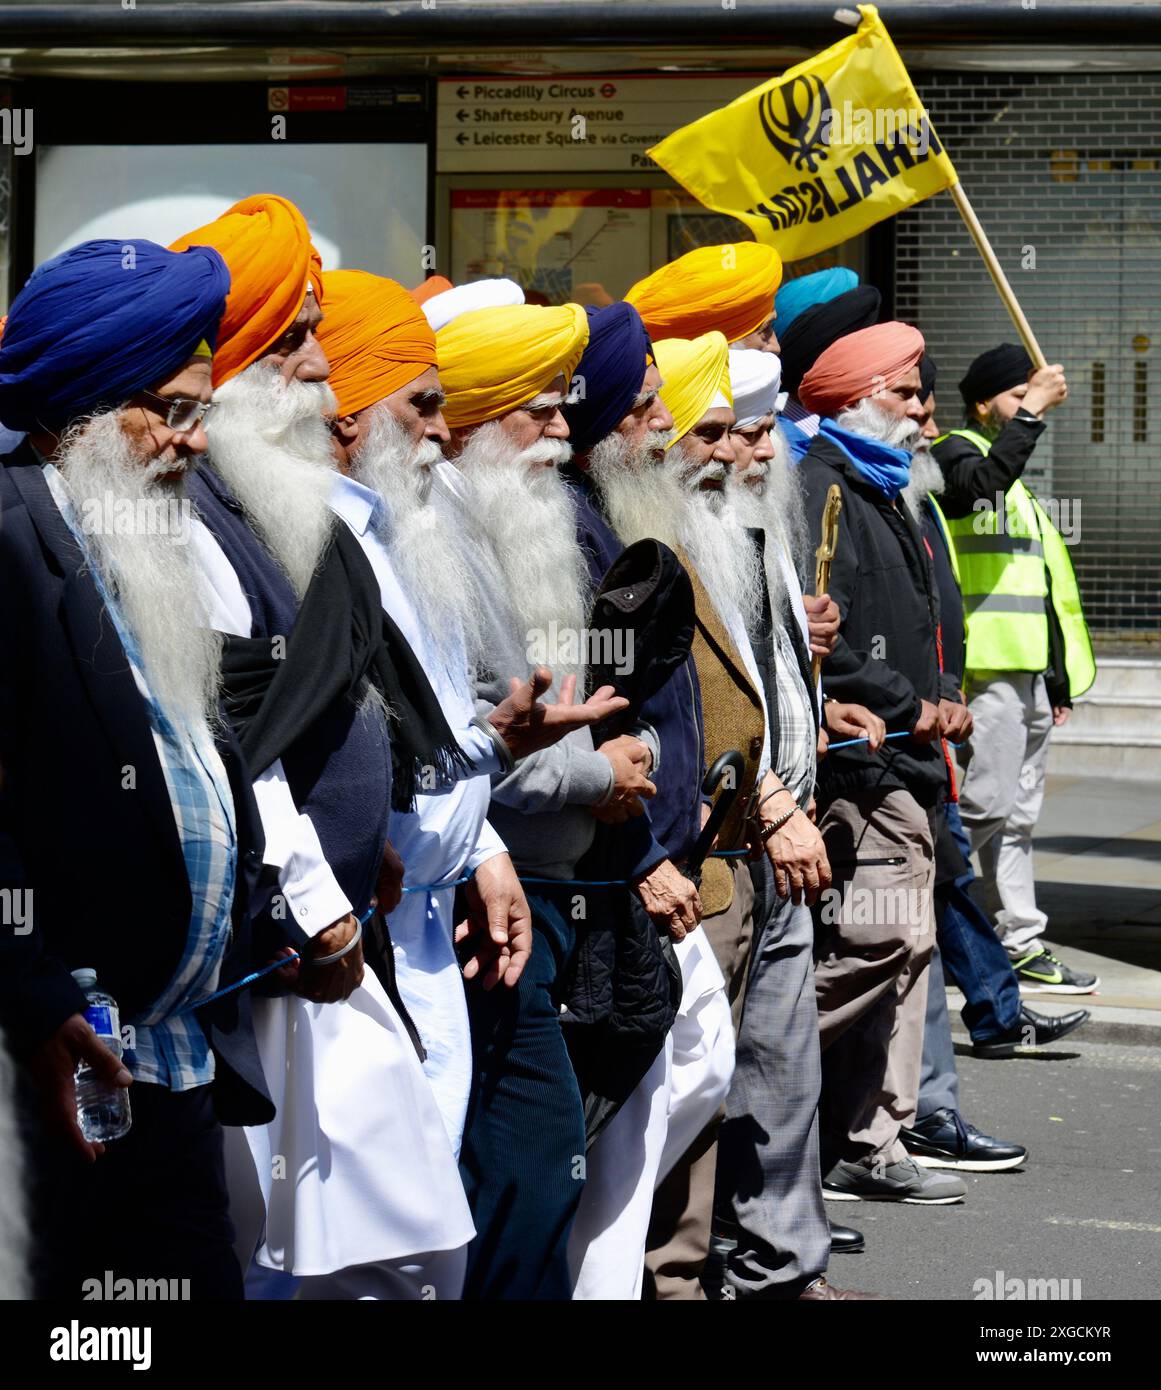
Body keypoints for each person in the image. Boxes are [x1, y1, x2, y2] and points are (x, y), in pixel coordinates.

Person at [172, 195, 475, 1300]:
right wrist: (315, 892)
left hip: (338, 919)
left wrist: (367, 843)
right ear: (243, 354)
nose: (318, 365)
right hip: (278, 950)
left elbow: (326, 701)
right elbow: (232, 738)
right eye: (293, 338)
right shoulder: (195, 511)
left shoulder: (276, 498)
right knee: (329, 1246)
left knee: (386, 1240)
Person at [0, 237, 270, 1299]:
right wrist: (29, 994)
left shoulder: (142, 536)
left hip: (171, 1067)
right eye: (173, 408)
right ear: (84, 410)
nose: (196, 439)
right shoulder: (12, 541)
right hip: (54, 1068)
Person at [317, 268, 629, 1168]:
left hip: (461, 892)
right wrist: (572, 776)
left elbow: (452, 714)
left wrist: (480, 847)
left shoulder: (404, 519)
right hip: (363, 927)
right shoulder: (336, 531)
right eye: (422, 404)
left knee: (493, 1183)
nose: (439, 428)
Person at [435, 298, 697, 1299]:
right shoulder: (444, 546)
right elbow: (480, 744)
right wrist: (604, 772)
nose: (559, 431)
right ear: (469, 422)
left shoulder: (519, 522)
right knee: (528, 1166)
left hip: (551, 887)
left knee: (538, 1171)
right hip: (492, 895)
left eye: (560, 410)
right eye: (534, 413)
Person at [559, 301, 726, 1300]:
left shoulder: (622, 514)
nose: (664, 425)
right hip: (613, 869)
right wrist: (644, 858)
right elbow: (592, 724)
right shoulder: (580, 533)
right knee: (615, 1128)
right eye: (650, 407)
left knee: (692, 1063)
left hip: (653, 855)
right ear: (613, 418)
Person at [798, 321, 967, 1205]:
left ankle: (872, 1139)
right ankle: (772, 1089)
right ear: (856, 400)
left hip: (911, 760)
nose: (919, 412)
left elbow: (920, 621)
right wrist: (911, 706)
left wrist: (943, 698)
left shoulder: (885, 486)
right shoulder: (819, 489)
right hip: (864, 769)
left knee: (908, 952)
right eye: (903, 395)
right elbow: (823, 646)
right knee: (883, 938)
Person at [932, 345, 1097, 994]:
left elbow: (1046, 588)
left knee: (1019, 815)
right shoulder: (955, 454)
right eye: (1013, 395)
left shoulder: (1014, 477)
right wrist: (1031, 413)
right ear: (983, 404)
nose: (1027, 405)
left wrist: (1053, 678)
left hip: (1024, 674)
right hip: (986, 672)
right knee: (985, 807)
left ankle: (1020, 938)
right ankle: (953, 923)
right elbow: (977, 487)